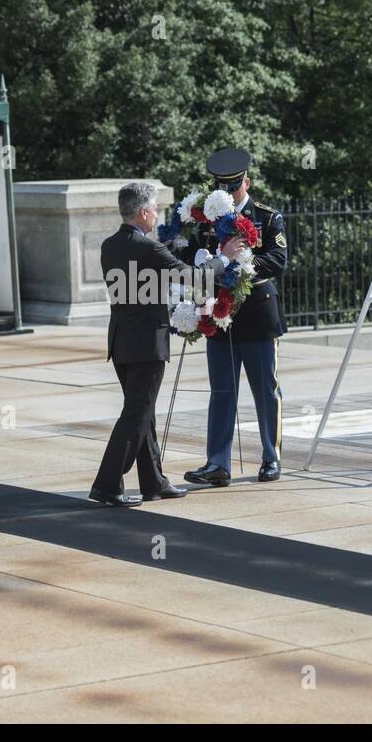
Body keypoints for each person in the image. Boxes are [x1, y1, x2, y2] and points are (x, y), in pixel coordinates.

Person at [88, 182, 233, 506]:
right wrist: (224, 258)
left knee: (143, 412)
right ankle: (108, 484)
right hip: (146, 344)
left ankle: (153, 481)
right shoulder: (148, 248)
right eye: (154, 209)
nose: (156, 214)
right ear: (142, 212)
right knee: (136, 414)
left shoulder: (110, 245)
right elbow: (196, 277)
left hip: (122, 342)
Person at [183, 148, 289, 487]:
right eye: (223, 188)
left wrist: (242, 264)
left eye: (234, 187)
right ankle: (218, 464)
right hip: (219, 315)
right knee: (222, 392)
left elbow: (278, 259)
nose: (229, 194)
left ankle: (271, 458)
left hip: (257, 314)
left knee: (264, 391)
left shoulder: (267, 217)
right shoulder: (208, 222)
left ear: (247, 181)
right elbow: (193, 258)